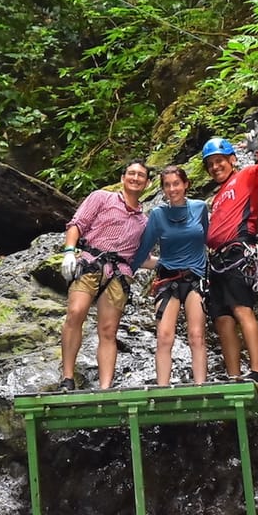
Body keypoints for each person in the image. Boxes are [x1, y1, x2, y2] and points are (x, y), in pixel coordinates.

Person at [58, 160, 151, 390]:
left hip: (120, 274)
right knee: (75, 312)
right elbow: (76, 225)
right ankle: (67, 377)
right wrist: (69, 252)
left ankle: (105, 387)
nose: (135, 178)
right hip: (91, 263)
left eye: (141, 175)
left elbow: (142, 258)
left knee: (109, 331)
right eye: (131, 173)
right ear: (122, 178)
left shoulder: (145, 222)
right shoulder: (101, 198)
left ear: (148, 183)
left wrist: (173, 262)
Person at [202, 126, 258, 390]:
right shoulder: (217, 198)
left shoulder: (247, 175)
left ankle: (257, 371)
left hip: (238, 253)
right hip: (218, 260)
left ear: (232, 159)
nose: (215, 167)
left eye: (219, 161)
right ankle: (234, 376)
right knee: (222, 318)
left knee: (242, 309)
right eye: (210, 164)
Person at [131, 166, 209, 386]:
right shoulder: (157, 215)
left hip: (195, 278)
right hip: (167, 280)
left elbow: (207, 239)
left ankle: (201, 387)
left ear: (186, 184)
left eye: (176, 183)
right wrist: (127, 272)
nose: (172, 189)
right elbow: (143, 250)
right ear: (163, 189)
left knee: (196, 335)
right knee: (164, 336)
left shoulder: (200, 208)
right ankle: (163, 388)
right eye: (167, 185)